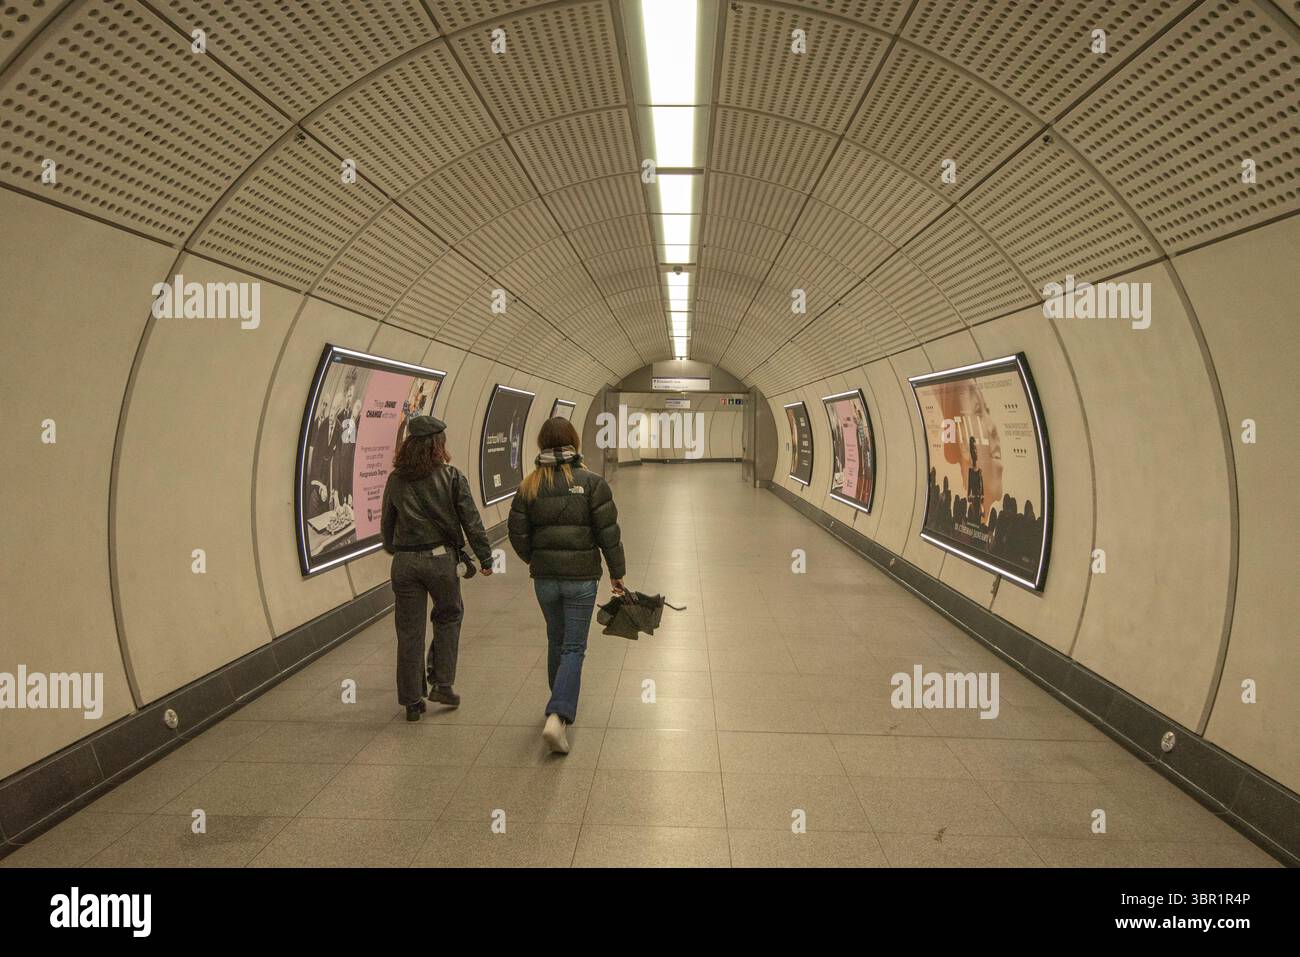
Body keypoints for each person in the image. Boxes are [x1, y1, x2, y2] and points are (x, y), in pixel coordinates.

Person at [508, 417, 625, 754]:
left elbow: (517, 533)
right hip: (581, 579)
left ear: (541, 444)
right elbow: (609, 534)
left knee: (555, 640)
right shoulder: (592, 483)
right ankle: (558, 715)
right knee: (574, 647)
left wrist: (534, 558)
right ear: (574, 442)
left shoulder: (528, 486)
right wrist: (617, 573)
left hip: (544, 580)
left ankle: (557, 704)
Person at [381, 415, 493, 722]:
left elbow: (387, 530)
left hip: (404, 563)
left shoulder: (395, 480)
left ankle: (411, 701)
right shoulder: (452, 477)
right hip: (441, 560)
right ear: (437, 444)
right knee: (448, 616)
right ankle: (442, 684)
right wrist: (485, 558)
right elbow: (471, 520)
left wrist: (402, 551)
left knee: (408, 630)